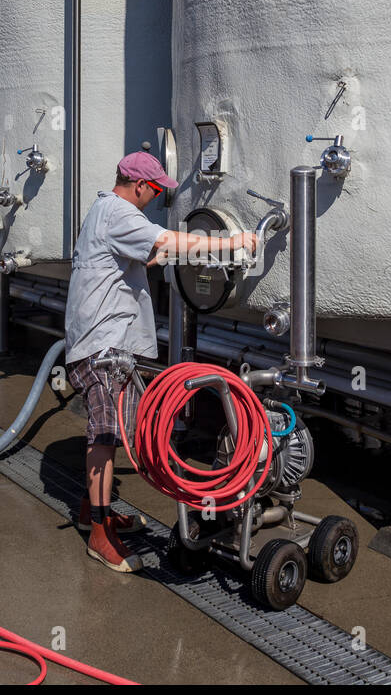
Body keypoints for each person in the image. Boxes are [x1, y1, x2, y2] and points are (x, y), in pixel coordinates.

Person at [64, 150, 258, 572]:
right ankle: (99, 535)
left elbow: (153, 252)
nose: (155, 199)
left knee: (115, 434)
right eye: (155, 191)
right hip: (103, 349)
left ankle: (90, 510)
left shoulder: (103, 210)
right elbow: (166, 241)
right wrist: (232, 244)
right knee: (106, 434)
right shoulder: (119, 213)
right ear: (140, 186)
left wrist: (170, 253)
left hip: (108, 345)